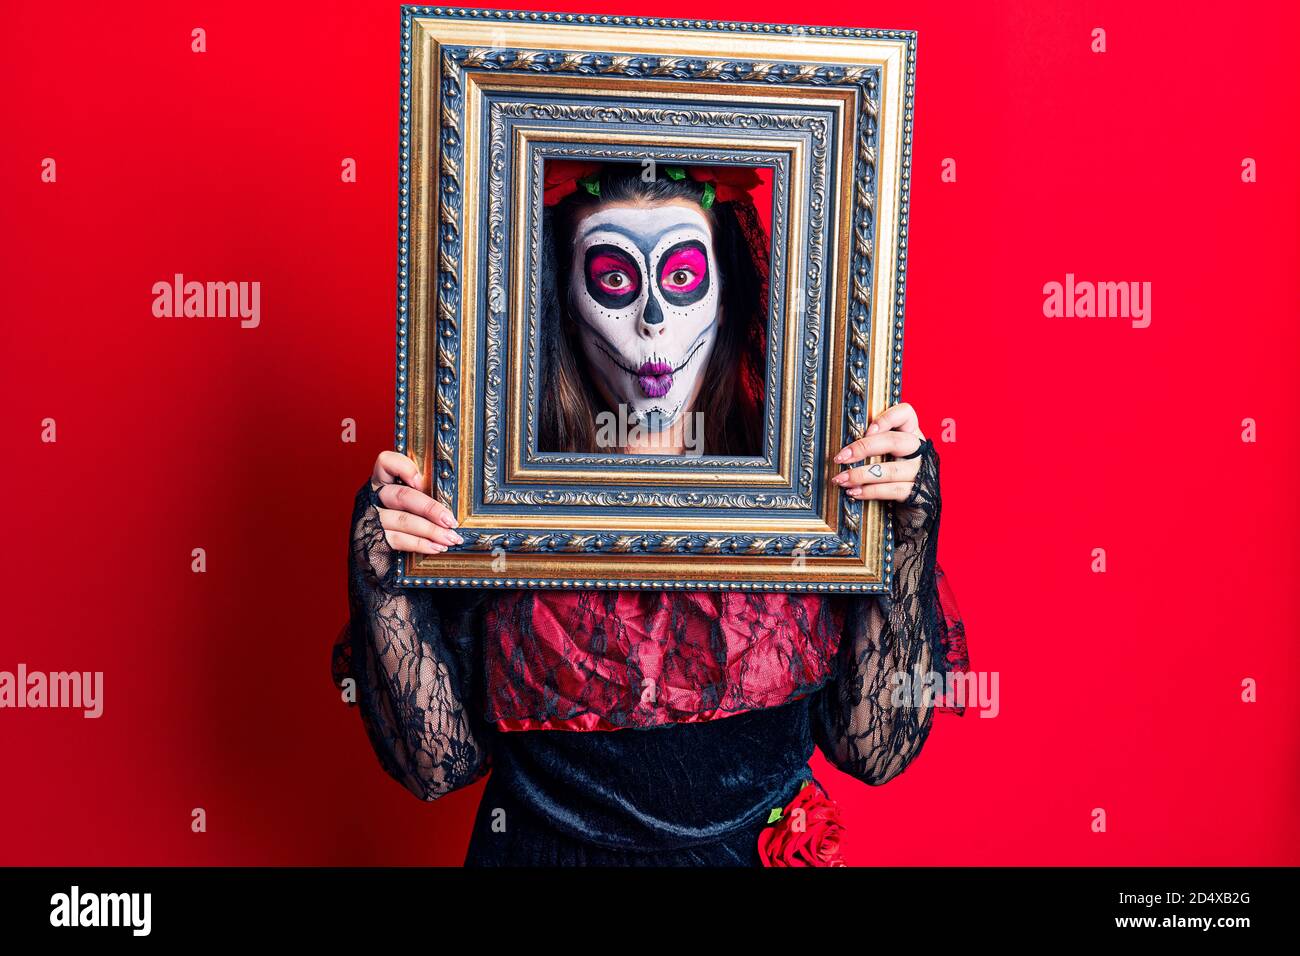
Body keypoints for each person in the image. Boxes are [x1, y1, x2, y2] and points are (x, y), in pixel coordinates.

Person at [331, 162, 970, 866]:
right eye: (614, 280)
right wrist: (384, 573)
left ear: (725, 295)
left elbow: (875, 751)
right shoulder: (490, 495)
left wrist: (908, 531)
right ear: (564, 303)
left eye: (683, 278)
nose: (654, 319)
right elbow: (439, 768)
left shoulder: (811, 490)